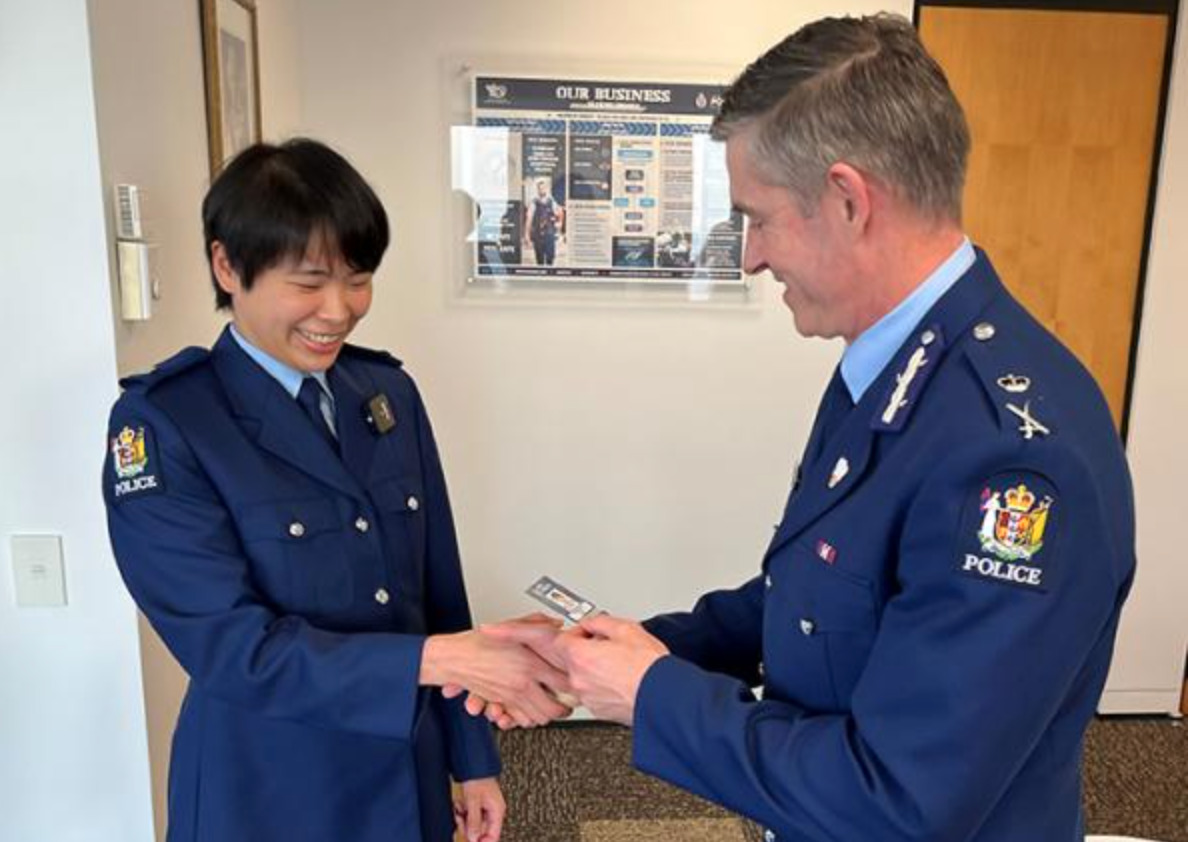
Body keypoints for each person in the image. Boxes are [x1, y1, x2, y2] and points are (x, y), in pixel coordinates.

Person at [477, 14, 1136, 842]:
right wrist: (644, 647)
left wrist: (652, 693)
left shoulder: (1005, 456)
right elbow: (826, 594)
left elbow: (898, 802)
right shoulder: (894, 366)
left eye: (758, 218)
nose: (750, 257)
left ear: (848, 201)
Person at [102, 139, 570, 842]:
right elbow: (231, 647)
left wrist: (472, 760)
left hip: (402, 766)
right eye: (309, 282)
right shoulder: (168, 422)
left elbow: (438, 594)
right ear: (228, 266)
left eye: (358, 279)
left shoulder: (384, 392)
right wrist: (439, 661)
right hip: (266, 785)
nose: (339, 310)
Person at [525, 177, 563, 265]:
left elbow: (560, 212)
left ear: (546, 189)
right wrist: (527, 235)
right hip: (538, 235)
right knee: (539, 260)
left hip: (549, 235)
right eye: (540, 188)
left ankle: (550, 273)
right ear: (537, 190)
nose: (542, 190)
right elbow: (529, 218)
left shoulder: (552, 201)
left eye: (543, 188)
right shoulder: (534, 203)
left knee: (550, 258)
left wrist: (559, 225)